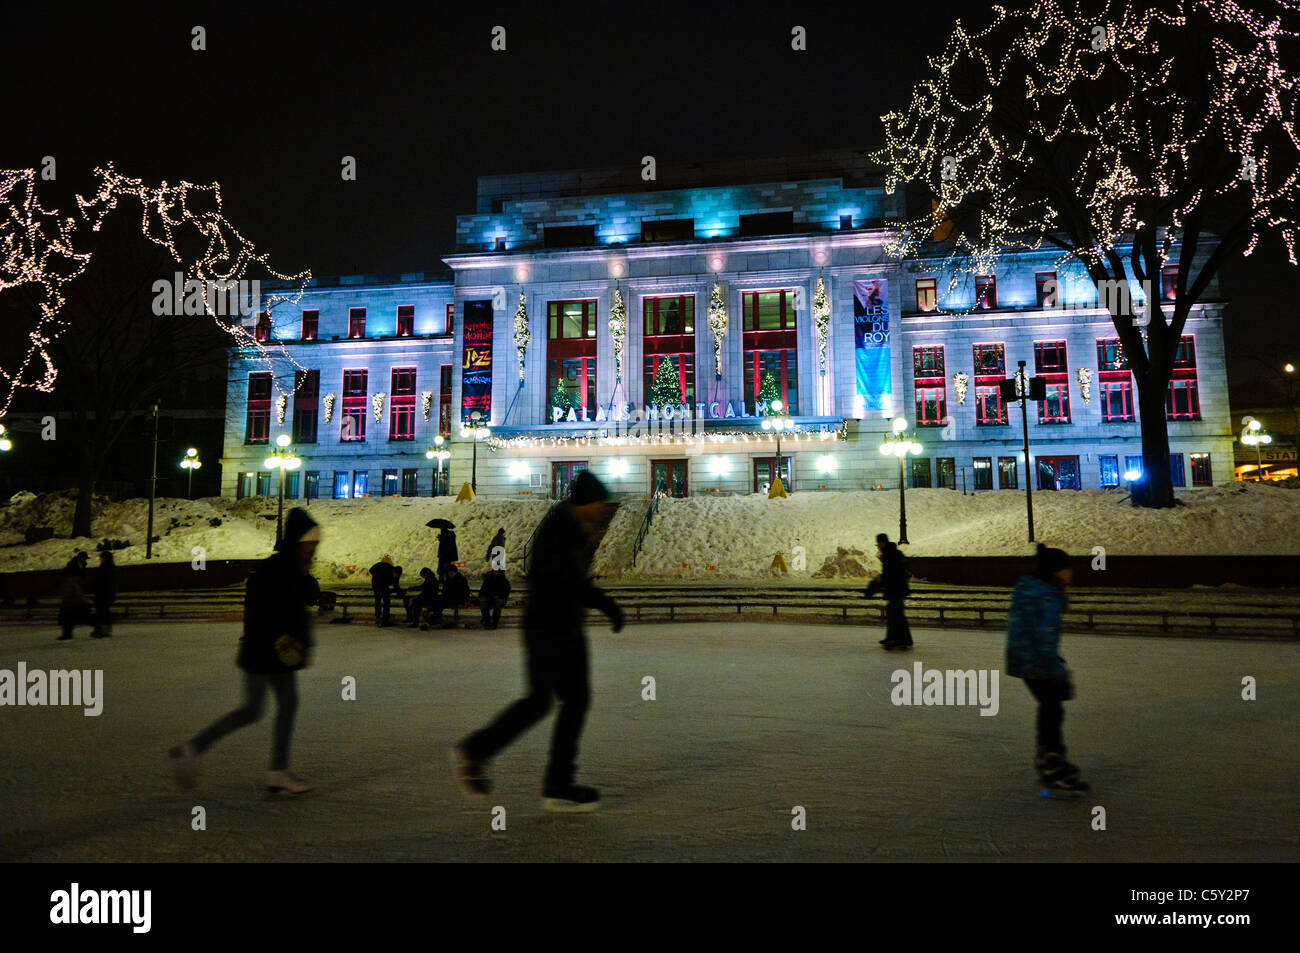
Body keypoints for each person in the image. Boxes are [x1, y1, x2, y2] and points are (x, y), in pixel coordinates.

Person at [453, 470, 625, 812]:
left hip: (559, 627)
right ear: (584, 503)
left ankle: (554, 782)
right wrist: (605, 604)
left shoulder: (570, 528)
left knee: (565, 701)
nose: (601, 512)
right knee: (544, 701)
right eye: (597, 505)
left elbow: (571, 582)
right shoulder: (560, 531)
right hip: (550, 629)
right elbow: (567, 582)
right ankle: (483, 754)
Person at [170, 507, 320, 795]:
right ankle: (276, 770)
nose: (313, 548)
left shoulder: (290, 570)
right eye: (310, 542)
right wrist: (280, 641)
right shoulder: (276, 570)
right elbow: (263, 610)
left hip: (267, 651)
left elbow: (298, 608)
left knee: (257, 709)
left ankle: (197, 748)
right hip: (269, 652)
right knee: (271, 707)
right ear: (298, 542)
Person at [1006, 543, 1089, 793]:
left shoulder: (1031, 588)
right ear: (1055, 571)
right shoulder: (1049, 597)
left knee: (1050, 707)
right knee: (1052, 709)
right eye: (1066, 568)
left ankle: (1048, 757)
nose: (1070, 573)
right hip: (1037, 661)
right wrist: (1058, 671)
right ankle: (1052, 763)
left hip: (1022, 657)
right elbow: (1046, 640)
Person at [864, 533, 912, 649]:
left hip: (896, 588)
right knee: (896, 614)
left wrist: (880, 579)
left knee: (894, 613)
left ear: (882, 543)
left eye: (878, 543)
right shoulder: (892, 553)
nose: (877, 546)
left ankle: (896, 639)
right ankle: (902, 639)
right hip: (898, 588)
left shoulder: (889, 555)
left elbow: (891, 573)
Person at [56, 554, 93, 641]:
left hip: (73, 597)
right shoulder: (74, 569)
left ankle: (67, 634)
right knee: (77, 616)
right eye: (85, 559)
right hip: (73, 597)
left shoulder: (79, 567)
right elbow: (76, 584)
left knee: (73, 617)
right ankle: (67, 634)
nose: (85, 561)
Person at [90, 549, 117, 638]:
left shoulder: (105, 567)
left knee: (101, 613)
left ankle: (101, 630)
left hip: (103, 594)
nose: (100, 559)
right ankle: (103, 630)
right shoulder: (109, 567)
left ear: (104, 558)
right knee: (103, 612)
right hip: (105, 594)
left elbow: (103, 581)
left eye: (101, 557)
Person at [369, 555, 398, 626]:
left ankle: (378, 617)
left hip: (376, 585)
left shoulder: (377, 565)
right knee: (386, 602)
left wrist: (377, 576)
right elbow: (395, 583)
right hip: (384, 586)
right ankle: (385, 619)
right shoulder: (391, 568)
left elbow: (371, 570)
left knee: (377, 600)